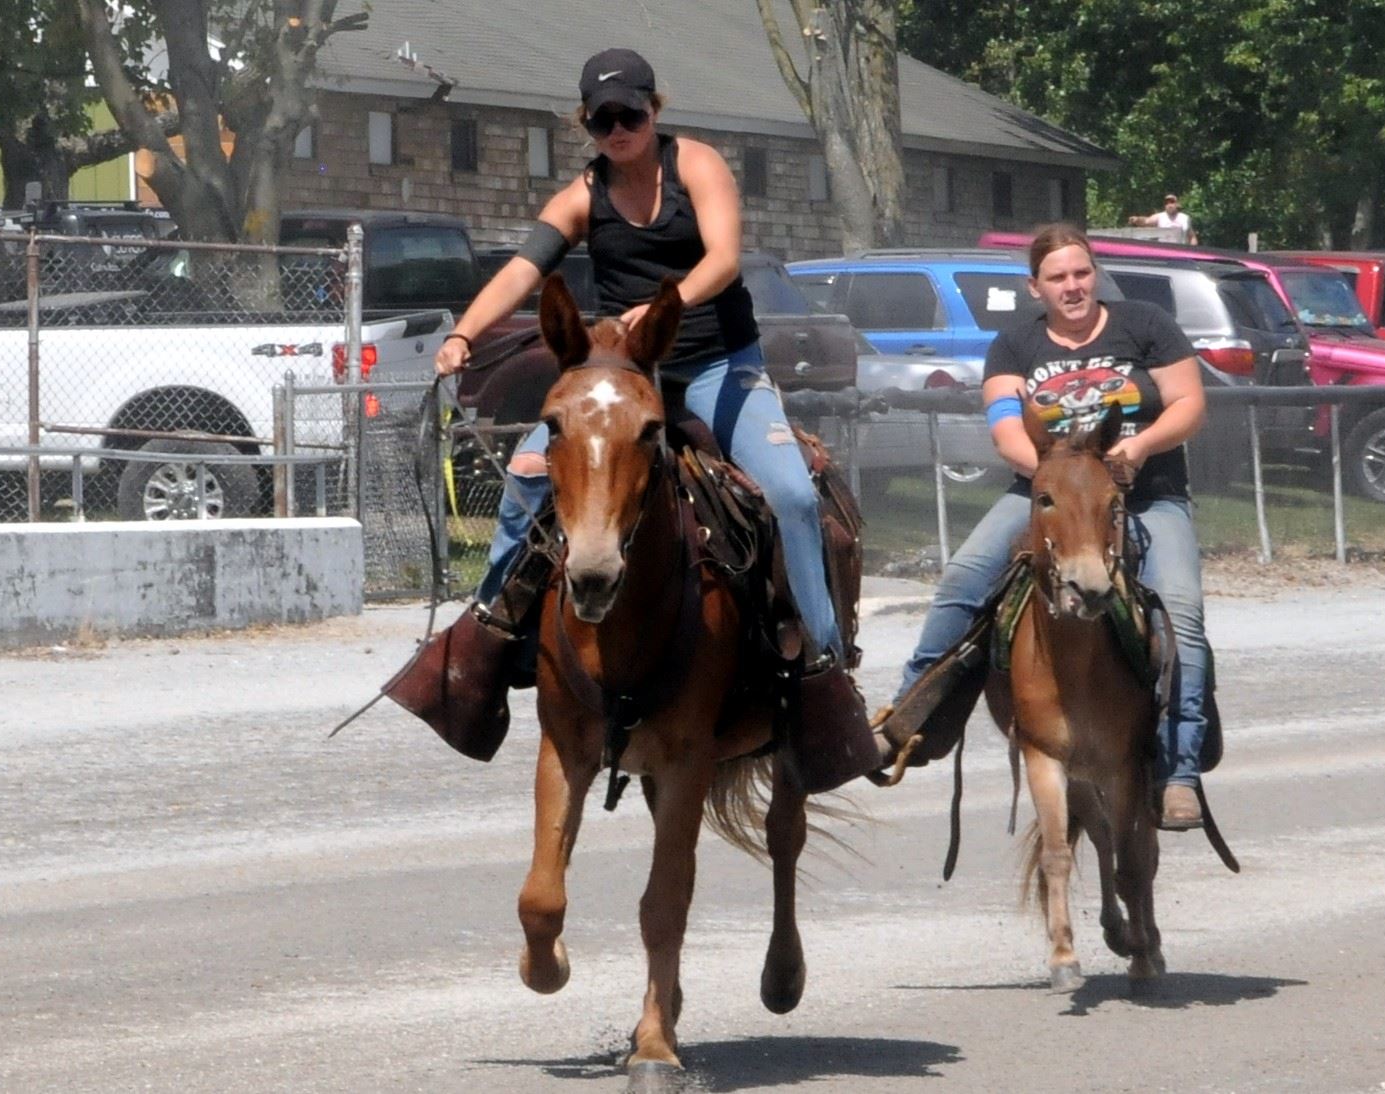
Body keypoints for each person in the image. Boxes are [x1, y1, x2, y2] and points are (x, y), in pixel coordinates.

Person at [433, 47, 876, 787]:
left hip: (713, 367)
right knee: (524, 480)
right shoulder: (581, 195)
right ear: (588, 123)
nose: (617, 128)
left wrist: (665, 305)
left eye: (629, 114)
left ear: (653, 111)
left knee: (793, 495)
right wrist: (462, 334)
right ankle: (488, 640)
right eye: (601, 119)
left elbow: (725, 258)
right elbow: (522, 268)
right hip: (624, 379)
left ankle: (824, 669)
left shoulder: (695, 165)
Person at [877, 223, 1215, 828]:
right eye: (1057, 277)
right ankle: (910, 718)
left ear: (1096, 275)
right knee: (963, 577)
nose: (1073, 286)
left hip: (1148, 495)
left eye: (1081, 273)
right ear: (1036, 287)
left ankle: (1177, 772)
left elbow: (1189, 404)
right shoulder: (1014, 347)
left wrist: (1138, 449)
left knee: (1181, 611)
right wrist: (1063, 486)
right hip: (1046, 497)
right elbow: (1008, 429)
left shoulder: (1146, 325)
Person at [1129, 194, 1198, 244]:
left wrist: (1193, 251)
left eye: (1172, 202)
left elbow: (1192, 237)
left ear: (1177, 204)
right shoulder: (1160, 217)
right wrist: (1137, 219)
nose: (1169, 205)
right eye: (1166, 203)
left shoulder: (1185, 218)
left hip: (1180, 252)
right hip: (1165, 251)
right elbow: (1146, 221)